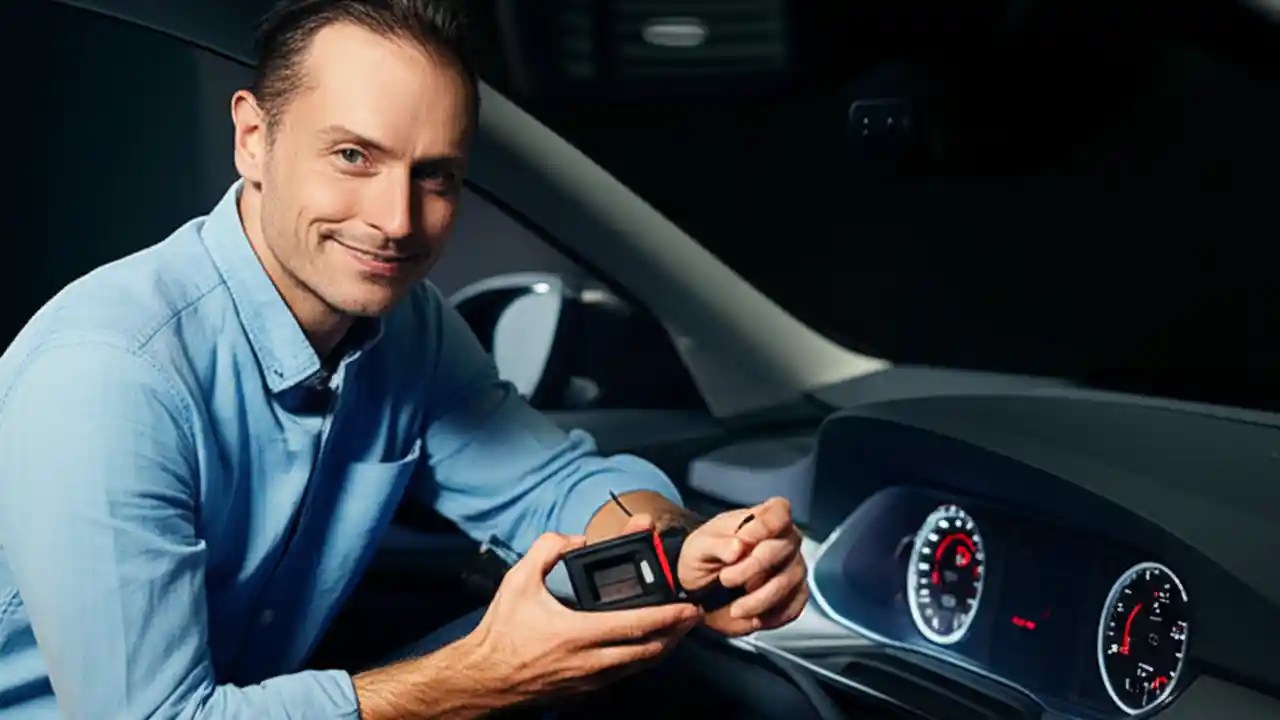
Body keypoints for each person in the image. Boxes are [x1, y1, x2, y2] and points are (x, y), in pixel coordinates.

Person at [0, 1, 808, 718]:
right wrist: (476, 678)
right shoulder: (111, 378)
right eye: (354, 156)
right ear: (254, 137)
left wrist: (683, 547)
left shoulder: (404, 327)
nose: (396, 221)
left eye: (437, 177)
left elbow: (549, 484)